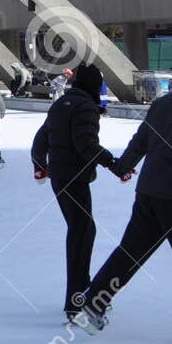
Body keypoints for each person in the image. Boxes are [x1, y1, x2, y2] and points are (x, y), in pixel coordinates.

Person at [73, 51, 172, 344]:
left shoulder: (162, 103)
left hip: (148, 193)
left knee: (130, 254)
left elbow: (141, 139)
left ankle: (93, 306)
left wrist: (122, 165)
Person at [32, 63, 121, 321]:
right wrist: (114, 164)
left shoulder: (62, 103)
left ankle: (82, 289)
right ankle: (76, 300)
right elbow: (86, 145)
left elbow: (41, 137)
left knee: (81, 230)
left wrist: (39, 164)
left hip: (61, 177)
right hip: (75, 176)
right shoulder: (85, 107)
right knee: (82, 232)